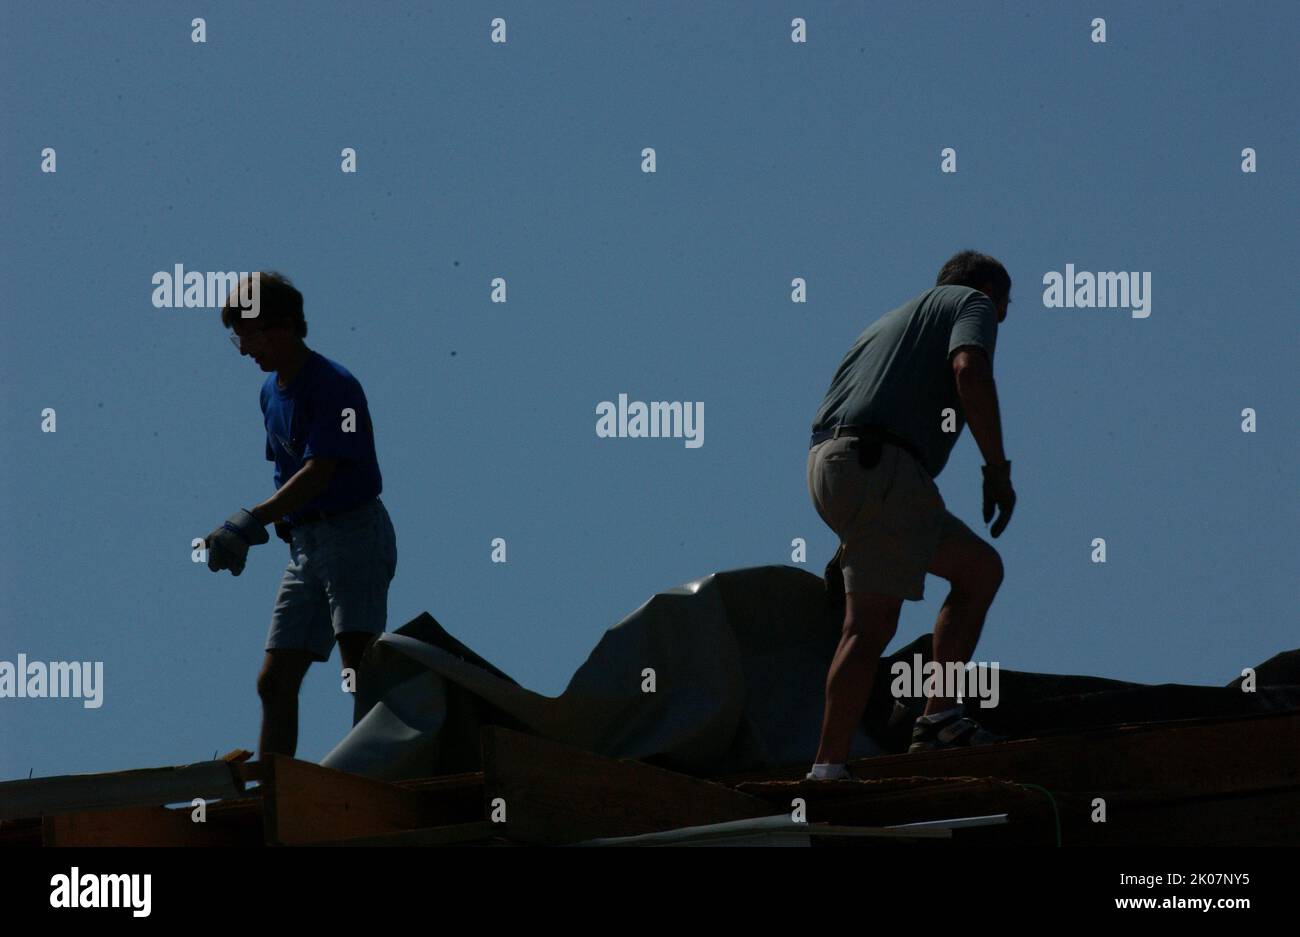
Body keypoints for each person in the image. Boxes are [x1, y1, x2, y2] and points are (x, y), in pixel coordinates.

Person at [804, 250, 1016, 780]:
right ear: (991, 291)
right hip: (882, 468)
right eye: (1007, 305)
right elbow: (970, 370)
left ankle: (939, 717)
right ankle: (827, 771)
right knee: (870, 624)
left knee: (979, 569)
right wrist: (996, 469)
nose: (1004, 319)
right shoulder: (973, 302)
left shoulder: (888, 322)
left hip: (839, 466)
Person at [205, 271, 397, 758]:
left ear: (287, 326)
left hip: (354, 533)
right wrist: (275, 524)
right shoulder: (270, 394)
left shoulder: (333, 385)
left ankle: (372, 775)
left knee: (360, 672)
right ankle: (275, 789)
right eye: (238, 337)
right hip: (306, 547)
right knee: (274, 681)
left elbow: (318, 472)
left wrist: (251, 521)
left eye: (252, 333)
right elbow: (288, 472)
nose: (246, 348)